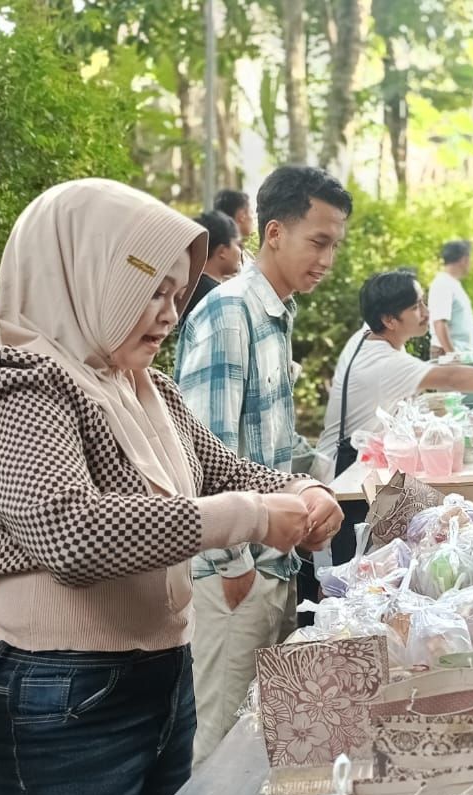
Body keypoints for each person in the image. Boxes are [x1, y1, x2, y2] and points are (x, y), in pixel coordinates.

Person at [0, 179, 341, 795]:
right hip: (65, 699)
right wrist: (252, 516)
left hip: (162, 676)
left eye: (175, 293)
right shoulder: (20, 385)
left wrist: (303, 489)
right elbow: (70, 533)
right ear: (86, 278)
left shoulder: (146, 387)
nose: (169, 314)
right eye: (149, 291)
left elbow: (226, 472)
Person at [175, 166, 353, 762]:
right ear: (274, 232)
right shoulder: (229, 314)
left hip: (273, 564)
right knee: (219, 746)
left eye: (335, 245)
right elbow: (202, 454)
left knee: (265, 742)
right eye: (318, 242)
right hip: (233, 572)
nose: (327, 260)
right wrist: (233, 565)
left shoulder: (276, 312)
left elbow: (271, 444)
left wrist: (318, 487)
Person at [316, 271, 473, 474]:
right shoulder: (385, 363)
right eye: (416, 307)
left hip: (352, 461)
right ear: (389, 320)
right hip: (344, 476)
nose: (427, 313)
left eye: (423, 302)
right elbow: (452, 377)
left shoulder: (366, 335)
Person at [180, 209, 242, 326]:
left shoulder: (187, 288)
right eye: (238, 244)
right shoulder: (218, 296)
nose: (240, 251)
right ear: (222, 251)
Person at [428, 240, 473, 357]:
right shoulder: (443, 283)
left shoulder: (452, 283)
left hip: (460, 353)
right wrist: (452, 355)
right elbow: (439, 322)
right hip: (448, 353)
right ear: (464, 259)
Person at [214, 188, 254, 265]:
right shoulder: (224, 256)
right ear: (242, 215)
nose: (253, 218)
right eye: (251, 212)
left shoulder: (247, 255)